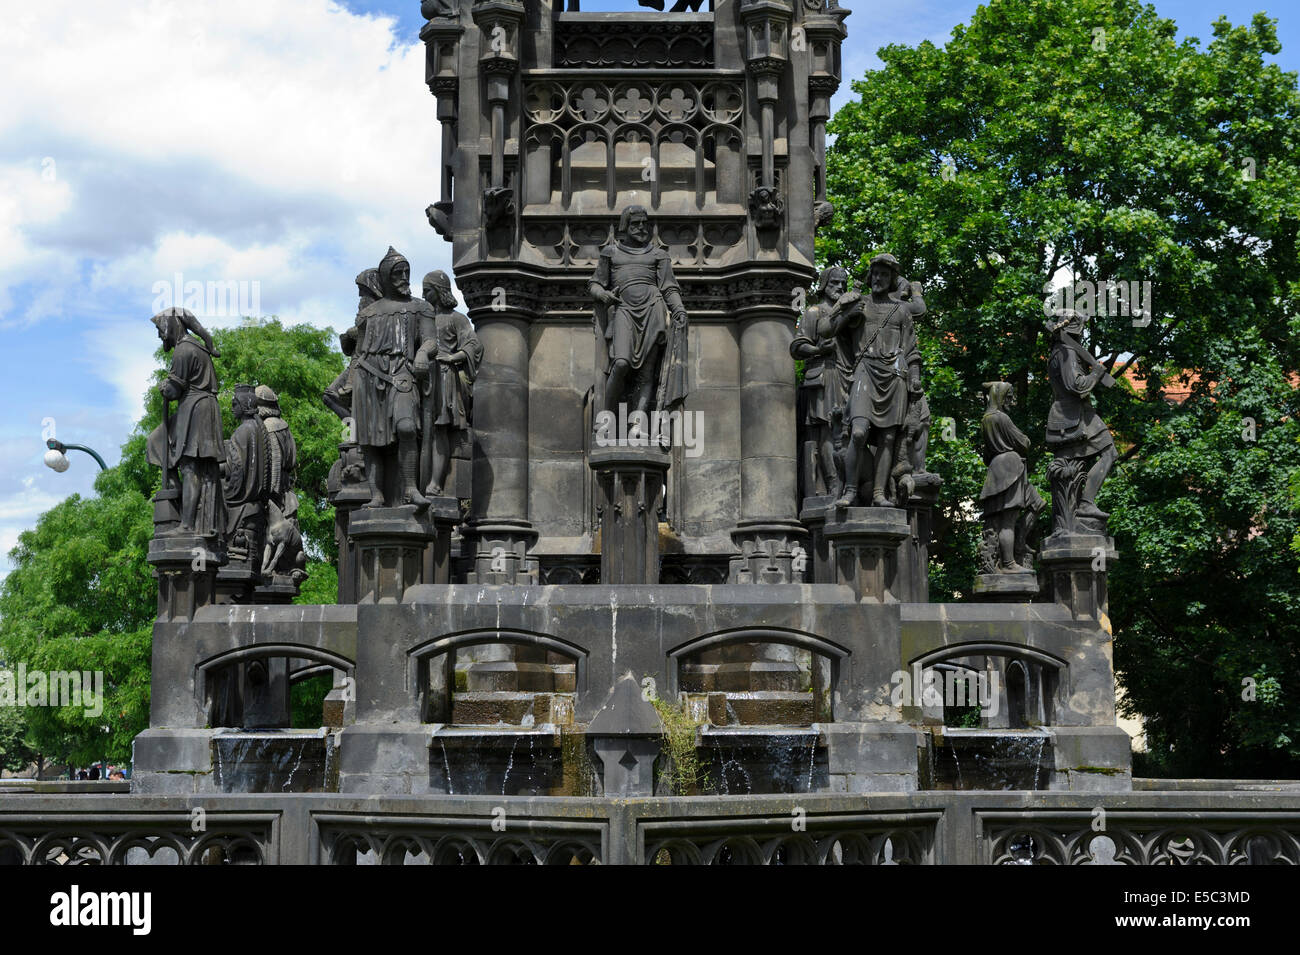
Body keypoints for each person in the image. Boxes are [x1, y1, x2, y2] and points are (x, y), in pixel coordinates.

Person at [830, 253, 923, 507]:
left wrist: (914, 380)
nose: (878, 279)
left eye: (885, 274)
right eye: (876, 274)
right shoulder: (859, 303)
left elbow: (912, 350)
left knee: (889, 439)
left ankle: (879, 493)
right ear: (870, 277)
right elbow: (830, 332)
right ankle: (849, 490)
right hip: (865, 373)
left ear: (892, 278)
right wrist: (847, 316)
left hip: (894, 378)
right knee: (858, 433)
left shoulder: (902, 310)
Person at [352, 248, 437, 508]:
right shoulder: (369, 313)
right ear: (386, 277)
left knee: (406, 427)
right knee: (369, 439)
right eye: (398, 273)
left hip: (402, 373)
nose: (403, 277)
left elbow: (431, 341)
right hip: (368, 376)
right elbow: (358, 352)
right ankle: (376, 494)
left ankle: (411, 488)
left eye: (406, 272)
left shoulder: (420, 308)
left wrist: (423, 353)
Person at [589, 206, 689, 425]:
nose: (641, 227)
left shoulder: (659, 254)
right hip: (624, 310)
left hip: (653, 309)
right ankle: (606, 416)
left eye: (644, 223)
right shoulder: (611, 253)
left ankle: (638, 422)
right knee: (622, 362)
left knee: (647, 372)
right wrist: (603, 295)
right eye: (636, 224)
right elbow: (595, 283)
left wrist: (679, 308)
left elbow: (669, 287)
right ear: (625, 226)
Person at [147, 308, 226, 534]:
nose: (160, 336)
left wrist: (164, 387)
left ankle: (187, 524)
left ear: (170, 326)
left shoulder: (183, 350)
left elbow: (173, 390)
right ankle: (179, 499)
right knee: (157, 441)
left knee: (190, 467)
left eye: (159, 330)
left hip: (195, 410)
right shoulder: (196, 346)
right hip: (200, 408)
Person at [417, 271, 482, 498]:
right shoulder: (421, 318)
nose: (423, 294)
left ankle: (435, 483)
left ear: (439, 291)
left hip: (444, 377)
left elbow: (474, 345)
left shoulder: (456, 318)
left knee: (438, 430)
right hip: (421, 377)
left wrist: (453, 358)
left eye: (427, 290)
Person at [1046, 309, 1116, 520]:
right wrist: (1095, 373)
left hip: (1076, 414)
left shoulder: (1062, 350)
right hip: (1075, 416)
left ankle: (1082, 505)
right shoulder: (1066, 352)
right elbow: (1076, 386)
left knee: (1105, 454)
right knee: (1109, 453)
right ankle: (1085, 503)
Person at [791, 266, 849, 500]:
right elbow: (796, 347)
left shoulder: (848, 315)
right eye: (835, 283)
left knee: (847, 431)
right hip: (823, 377)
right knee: (826, 430)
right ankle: (833, 482)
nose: (840, 288)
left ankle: (846, 481)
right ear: (824, 284)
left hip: (847, 377)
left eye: (843, 284)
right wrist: (817, 349)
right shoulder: (814, 312)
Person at [978, 382, 1044, 572]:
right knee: (1008, 519)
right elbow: (1023, 442)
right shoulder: (1001, 419)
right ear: (999, 396)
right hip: (1010, 469)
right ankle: (1009, 563)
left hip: (1000, 470)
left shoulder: (986, 419)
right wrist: (1024, 440)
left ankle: (1019, 542)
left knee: (1037, 504)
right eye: (1008, 397)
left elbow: (986, 453)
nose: (1012, 401)